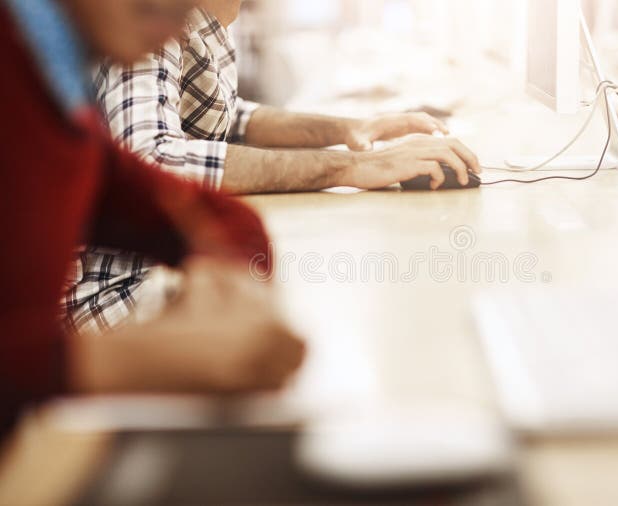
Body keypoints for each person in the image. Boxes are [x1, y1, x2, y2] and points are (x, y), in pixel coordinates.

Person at [66, 0, 483, 335]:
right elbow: (154, 157)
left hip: (163, 266)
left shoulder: (206, 18)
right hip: (115, 294)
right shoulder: (152, 20)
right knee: (321, 301)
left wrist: (352, 129)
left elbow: (231, 118)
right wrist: (351, 167)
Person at [0, 0, 305, 439]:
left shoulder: (53, 81)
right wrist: (124, 359)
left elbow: (207, 214)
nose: (170, 30)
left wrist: (224, 274)